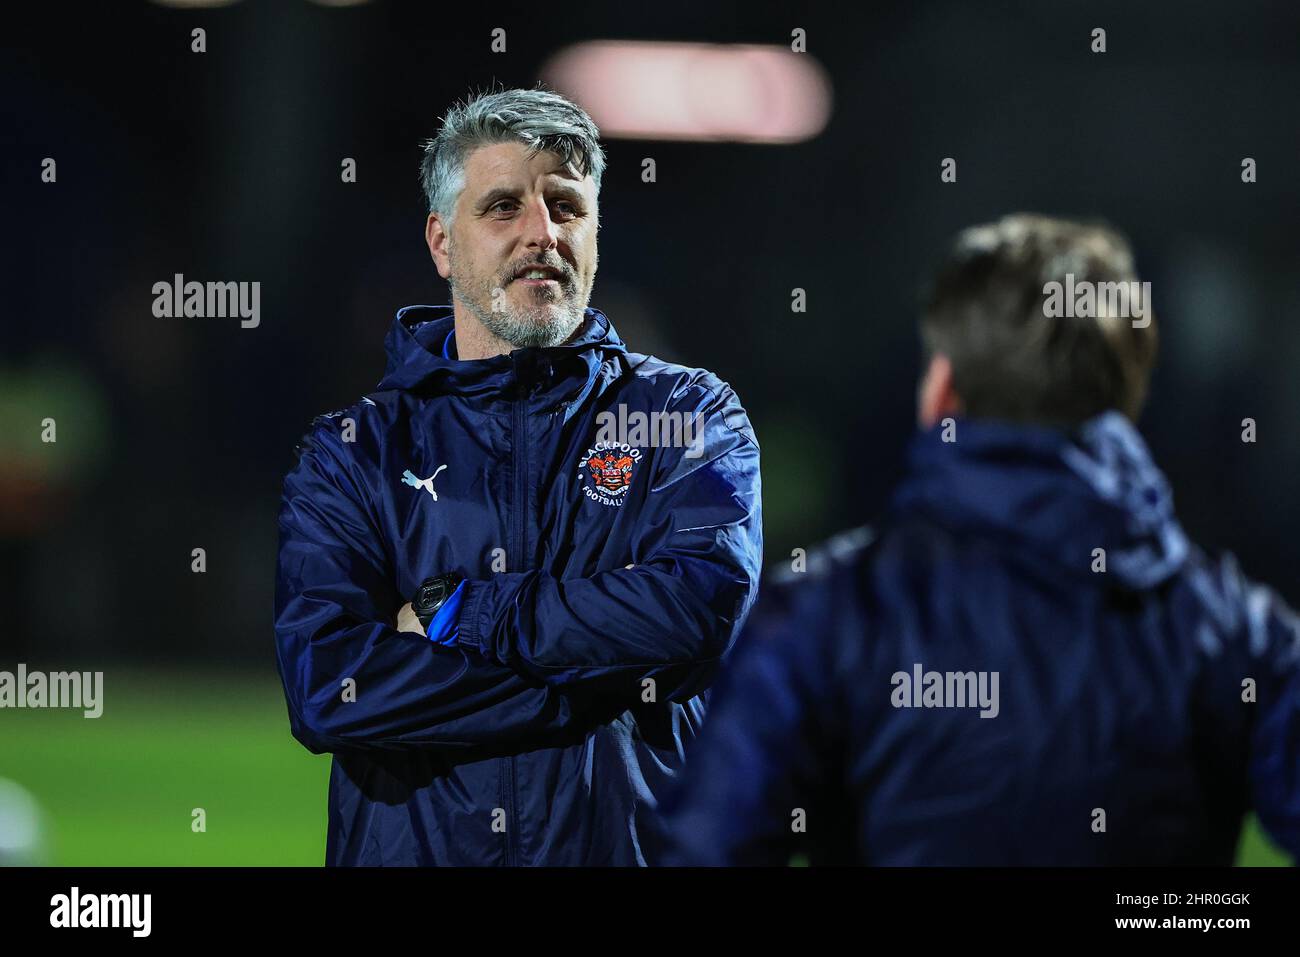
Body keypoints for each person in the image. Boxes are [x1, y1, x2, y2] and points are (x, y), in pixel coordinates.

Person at [660, 214, 1300, 865]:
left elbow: (703, 851)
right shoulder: (1236, 632)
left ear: (940, 389)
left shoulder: (822, 619)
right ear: (1125, 402)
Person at [273, 87, 762, 866]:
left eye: (566, 206)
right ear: (442, 242)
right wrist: (591, 681)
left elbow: (698, 608)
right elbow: (331, 688)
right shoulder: (353, 451)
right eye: (503, 207)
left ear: (595, 230)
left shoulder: (686, 412)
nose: (542, 233)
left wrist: (463, 611)